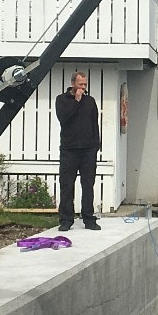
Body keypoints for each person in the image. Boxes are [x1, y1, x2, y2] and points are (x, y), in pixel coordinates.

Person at [55, 71, 100, 231]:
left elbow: (95, 123)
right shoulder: (62, 100)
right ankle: (66, 219)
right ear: (73, 83)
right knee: (67, 185)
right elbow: (64, 118)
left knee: (88, 185)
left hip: (88, 149)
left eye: (85, 85)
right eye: (80, 84)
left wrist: (96, 145)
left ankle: (89, 218)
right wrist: (76, 100)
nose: (83, 87)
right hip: (69, 149)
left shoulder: (90, 101)